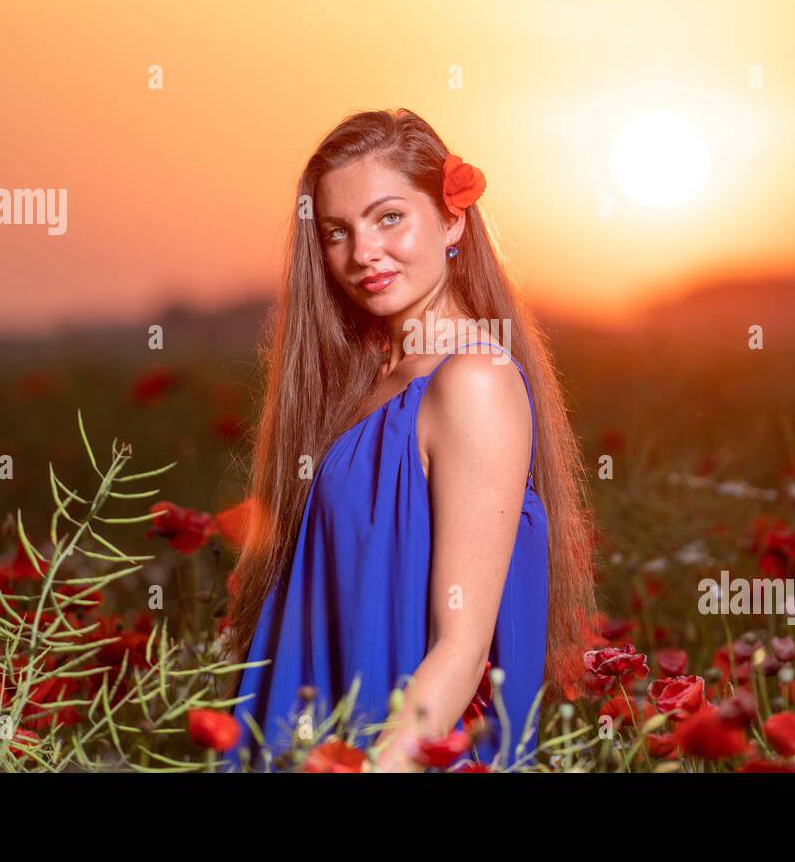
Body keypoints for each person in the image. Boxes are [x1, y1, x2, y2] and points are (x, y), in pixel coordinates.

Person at [219, 107, 597, 771]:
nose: (362, 252)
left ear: (452, 220)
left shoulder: (473, 379)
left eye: (389, 217)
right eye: (338, 231)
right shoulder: (370, 382)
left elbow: (461, 648)